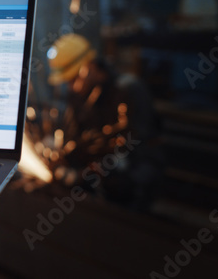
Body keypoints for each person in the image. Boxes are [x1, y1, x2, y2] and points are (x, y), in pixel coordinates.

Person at [46, 34, 164, 210]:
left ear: (90, 66)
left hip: (133, 181)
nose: (72, 86)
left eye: (73, 79)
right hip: (99, 183)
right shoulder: (79, 98)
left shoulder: (129, 91)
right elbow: (74, 138)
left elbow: (137, 144)